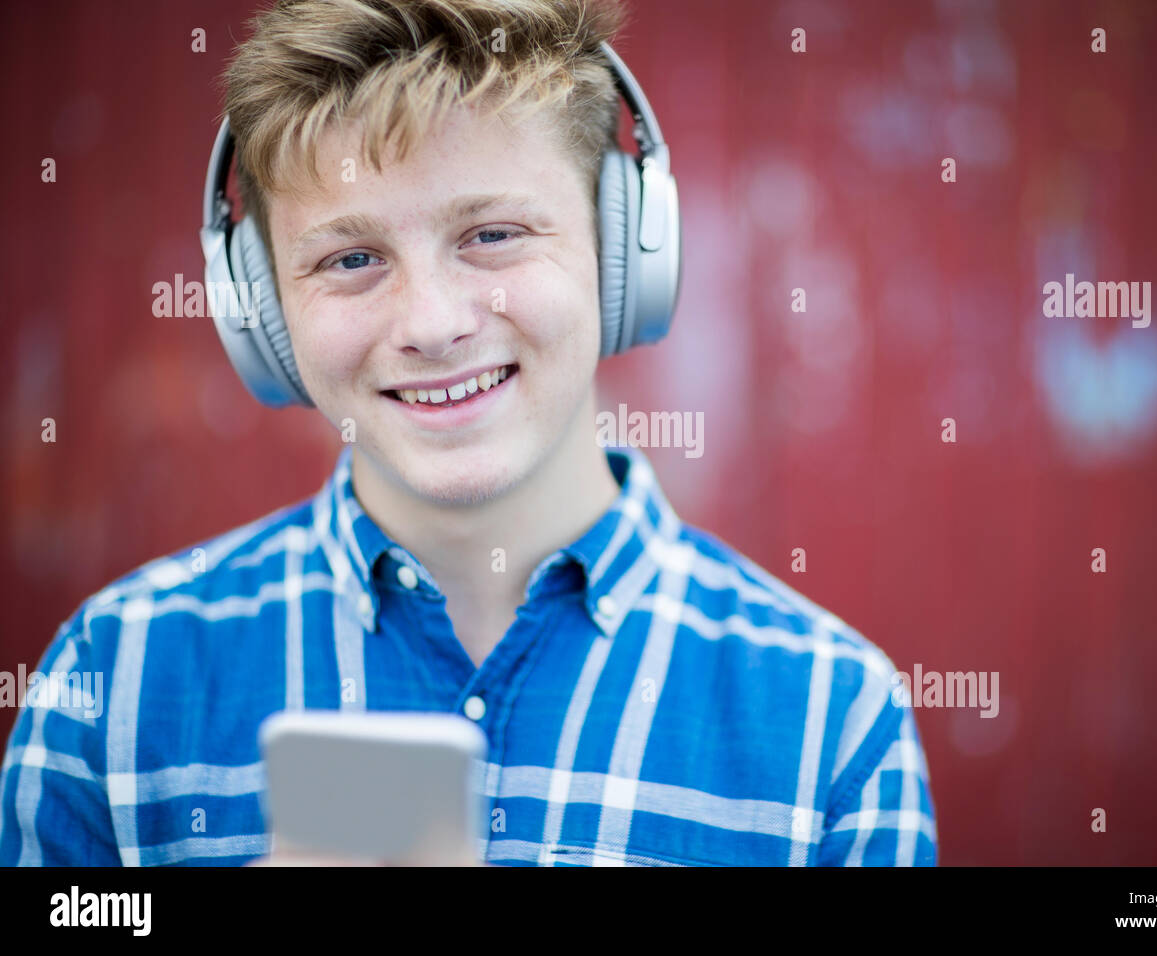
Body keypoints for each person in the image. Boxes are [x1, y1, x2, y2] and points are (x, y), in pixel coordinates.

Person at [0, 0, 936, 866]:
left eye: (492, 234)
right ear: (262, 310)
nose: (433, 322)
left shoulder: (832, 722)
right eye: (351, 257)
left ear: (626, 252)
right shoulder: (111, 683)